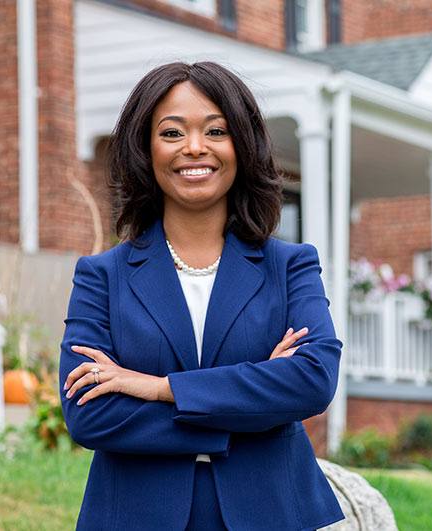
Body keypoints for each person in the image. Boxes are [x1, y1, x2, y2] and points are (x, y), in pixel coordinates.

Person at [58, 61, 346, 531]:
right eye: (172, 133)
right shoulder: (101, 277)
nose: (195, 148)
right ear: (145, 149)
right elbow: (89, 413)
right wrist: (253, 410)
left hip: (270, 514)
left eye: (216, 131)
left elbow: (312, 380)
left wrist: (158, 387)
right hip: (135, 516)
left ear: (242, 146)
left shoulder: (290, 266)